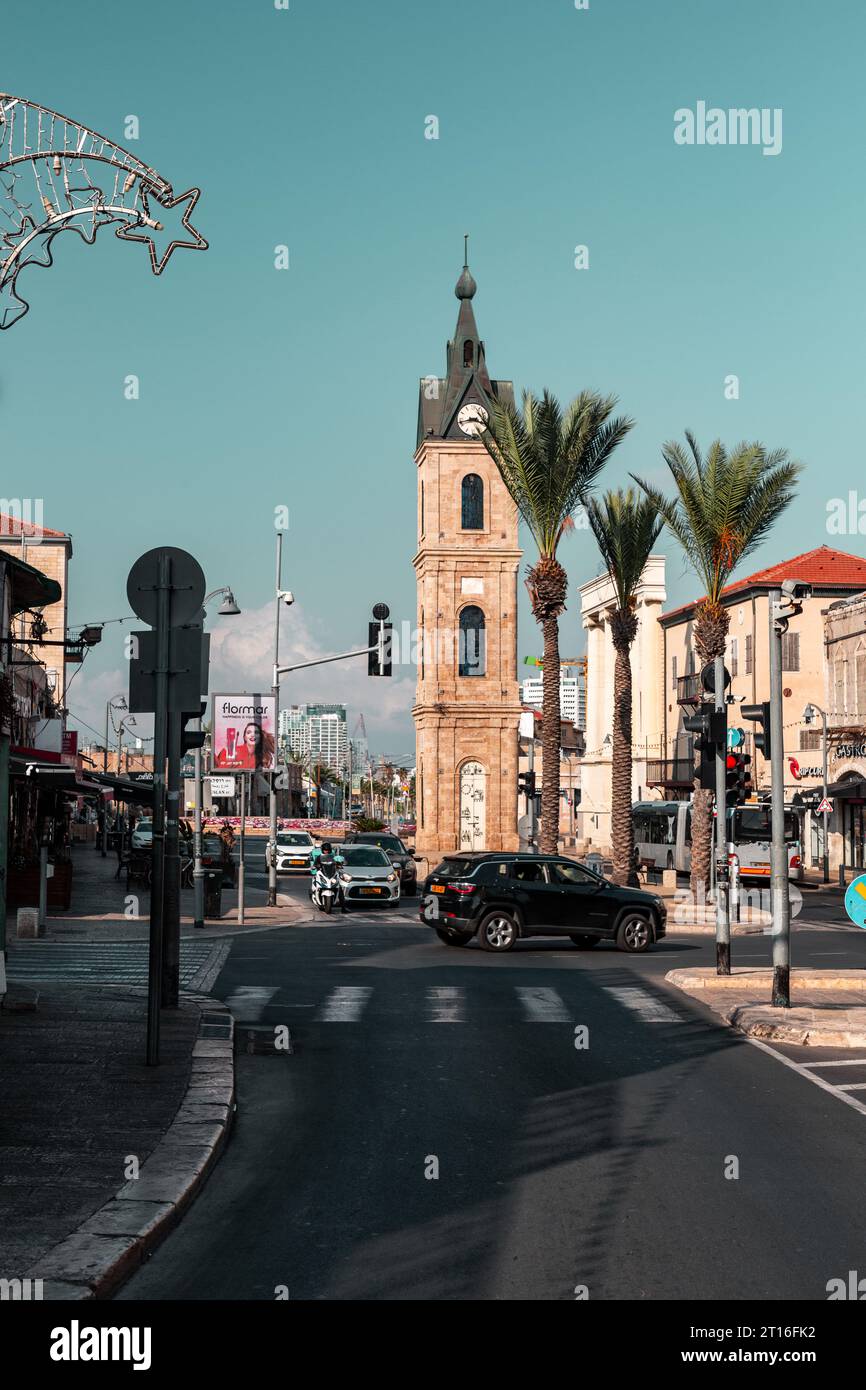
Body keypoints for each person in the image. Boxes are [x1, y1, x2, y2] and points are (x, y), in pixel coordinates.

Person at [309, 840, 347, 913]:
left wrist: (339, 865)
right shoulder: (319, 857)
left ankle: (343, 907)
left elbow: (337, 863)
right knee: (314, 882)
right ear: (322, 850)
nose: (326, 851)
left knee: (339, 888)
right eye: (325, 850)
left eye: (327, 850)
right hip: (322, 873)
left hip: (331, 874)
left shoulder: (333, 857)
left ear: (330, 850)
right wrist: (315, 866)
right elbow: (314, 865)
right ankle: (313, 893)